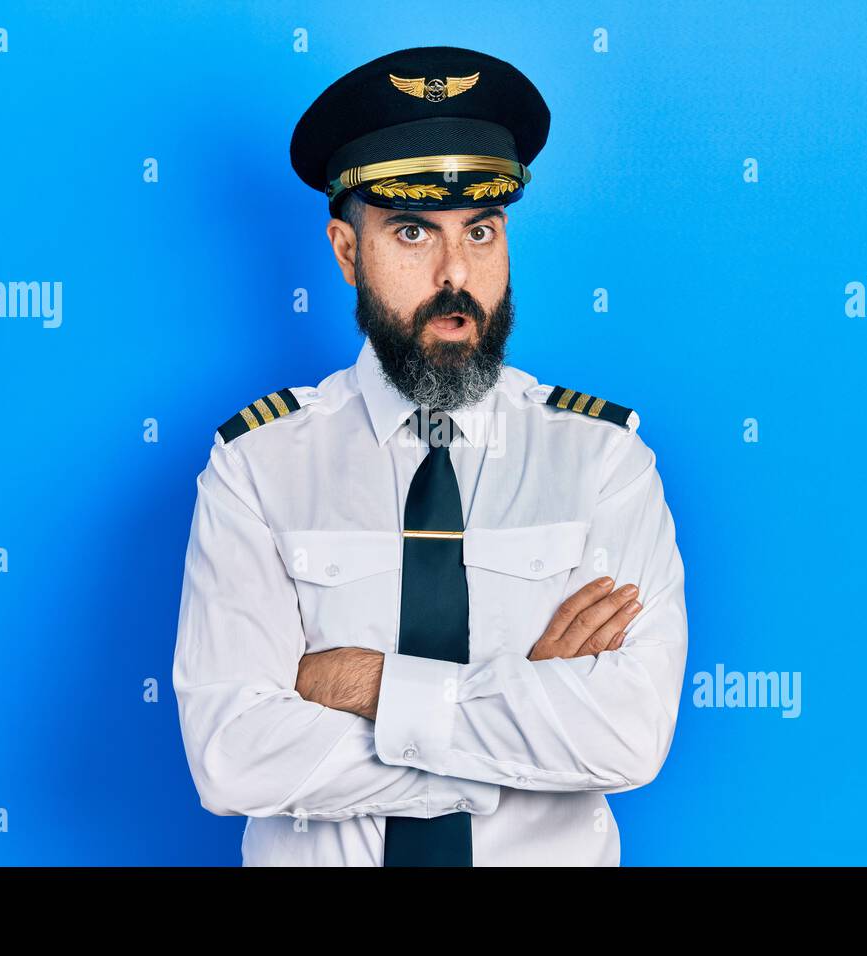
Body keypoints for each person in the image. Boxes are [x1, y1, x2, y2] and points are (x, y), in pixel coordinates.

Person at [172, 45, 688, 866]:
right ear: (347, 252)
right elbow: (232, 756)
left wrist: (370, 686)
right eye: (413, 231)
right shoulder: (255, 468)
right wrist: (519, 721)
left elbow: (626, 738)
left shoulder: (603, 463)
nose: (457, 275)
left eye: (480, 231)